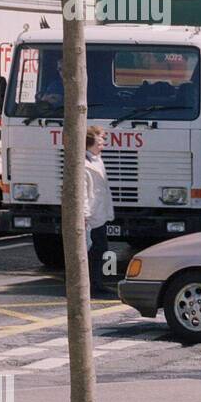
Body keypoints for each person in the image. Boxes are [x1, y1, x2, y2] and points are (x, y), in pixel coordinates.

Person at [84, 126, 115, 299]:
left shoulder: (97, 160)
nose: (103, 142)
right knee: (94, 251)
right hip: (91, 217)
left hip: (100, 214)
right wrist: (84, 216)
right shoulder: (85, 164)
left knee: (100, 249)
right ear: (90, 141)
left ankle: (97, 283)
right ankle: (93, 285)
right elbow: (82, 193)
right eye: (100, 139)